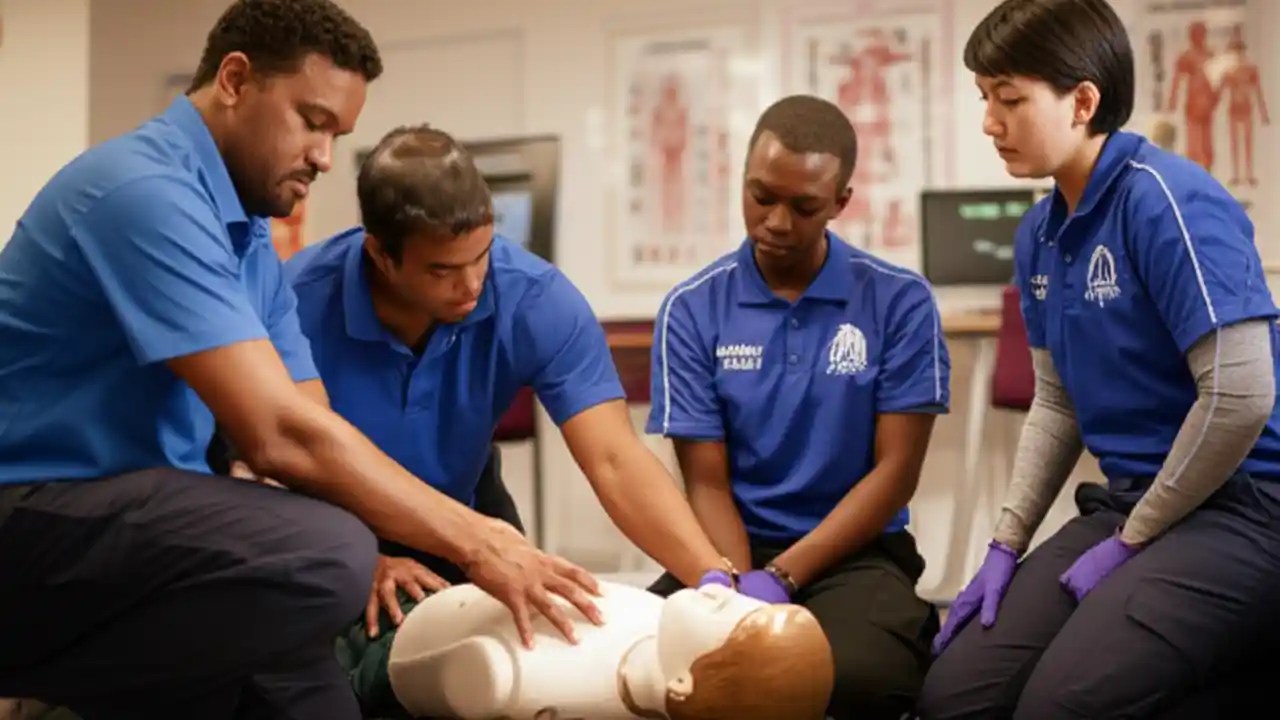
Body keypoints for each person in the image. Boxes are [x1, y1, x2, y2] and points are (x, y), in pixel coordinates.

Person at [0, 2, 599, 718]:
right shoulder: (141, 191)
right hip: (32, 511)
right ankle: (56, 695)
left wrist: (387, 555)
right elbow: (278, 437)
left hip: (138, 527)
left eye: (336, 134)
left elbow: (308, 414)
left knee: (312, 666)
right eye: (311, 122)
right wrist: (477, 541)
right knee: (327, 553)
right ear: (234, 80)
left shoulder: (248, 235)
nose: (324, 156)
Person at [917, 1, 1280, 718]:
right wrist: (1005, 544)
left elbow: (1239, 398)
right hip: (1131, 502)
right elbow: (1057, 403)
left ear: (1083, 101)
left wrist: (1132, 542)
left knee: (1063, 705)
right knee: (954, 698)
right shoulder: (1040, 232)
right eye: (984, 98)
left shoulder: (1170, 202)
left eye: (1009, 100)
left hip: (1245, 508)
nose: (989, 122)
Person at [281, 125, 736, 649]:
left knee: (534, 652)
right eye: (443, 270)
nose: (472, 284)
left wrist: (717, 587)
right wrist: (358, 555)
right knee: (367, 662)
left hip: (465, 513)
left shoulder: (533, 296)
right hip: (329, 521)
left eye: (482, 255)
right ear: (382, 256)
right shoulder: (296, 301)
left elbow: (615, 459)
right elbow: (268, 461)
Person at [645, 94, 949, 720]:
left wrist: (783, 579)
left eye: (804, 206)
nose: (777, 222)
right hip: (728, 552)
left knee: (860, 680)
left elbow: (896, 474)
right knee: (643, 665)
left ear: (841, 202)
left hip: (855, 553)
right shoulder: (692, 308)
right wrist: (734, 592)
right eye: (761, 197)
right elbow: (706, 481)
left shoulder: (899, 301)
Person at [379, 579, 834, 720]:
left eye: (728, 613)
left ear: (683, 682)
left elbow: (416, 674)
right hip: (464, 589)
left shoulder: (526, 682)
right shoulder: (662, 624)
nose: (723, 591)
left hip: (397, 633)